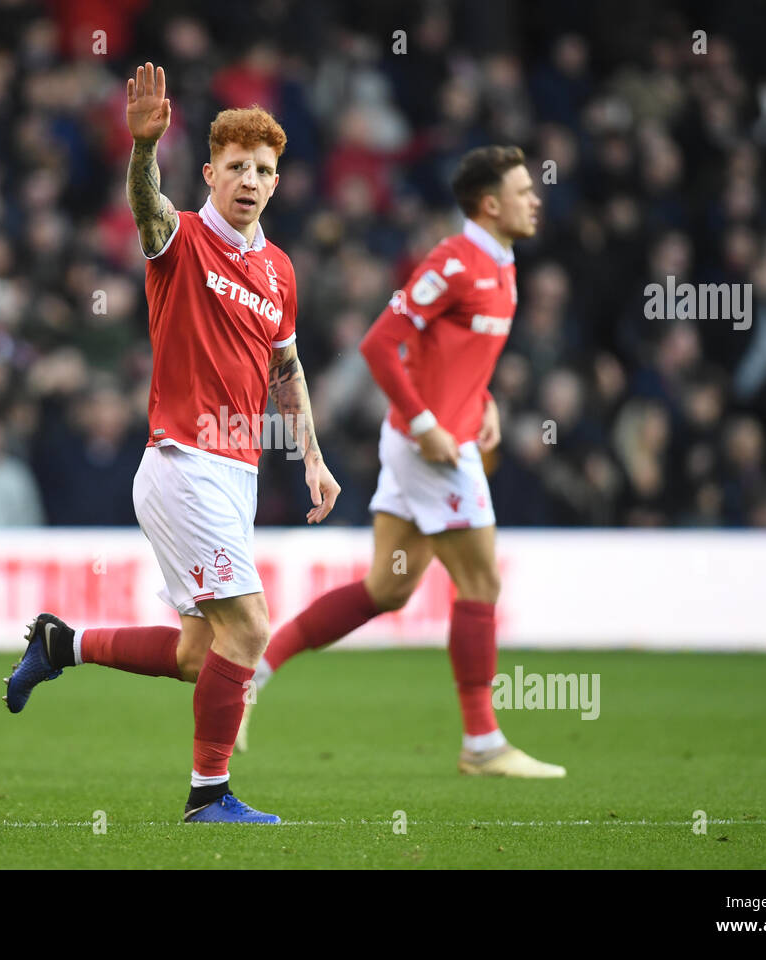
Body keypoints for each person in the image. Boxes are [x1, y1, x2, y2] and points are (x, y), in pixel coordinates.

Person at [3, 63, 340, 823]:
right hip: (183, 461)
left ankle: (63, 645)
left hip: (238, 472)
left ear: (276, 183)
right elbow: (146, 206)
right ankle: (208, 797)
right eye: (237, 167)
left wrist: (312, 456)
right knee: (250, 627)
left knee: (200, 656)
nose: (250, 180)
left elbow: (286, 366)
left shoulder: (280, 270)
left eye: (264, 170)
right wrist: (142, 149)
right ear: (211, 172)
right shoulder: (181, 237)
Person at [242, 146, 566, 778]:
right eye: (524, 191)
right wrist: (426, 424)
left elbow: (451, 352)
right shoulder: (454, 261)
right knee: (481, 585)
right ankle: (482, 744)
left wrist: (485, 398)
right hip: (431, 449)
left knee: (387, 588)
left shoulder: (502, 265)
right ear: (490, 204)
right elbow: (381, 344)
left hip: (439, 438)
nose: (536, 200)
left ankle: (256, 670)